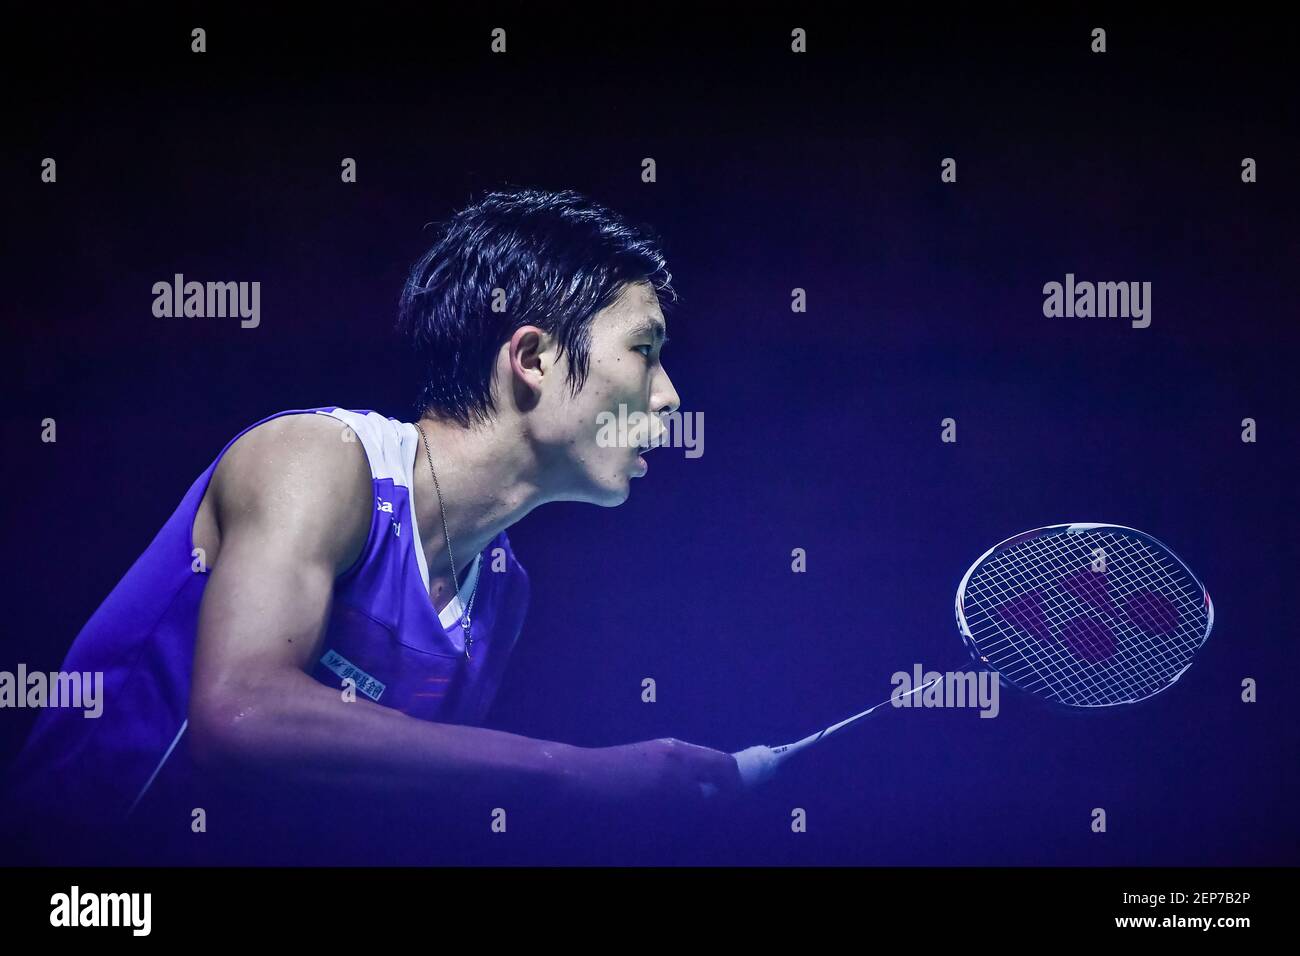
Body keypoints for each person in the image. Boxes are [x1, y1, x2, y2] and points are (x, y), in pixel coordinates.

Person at [6, 188, 741, 860]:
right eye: (645, 352)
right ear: (533, 357)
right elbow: (241, 714)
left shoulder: (499, 594)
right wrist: (578, 774)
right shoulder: (317, 460)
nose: (670, 397)